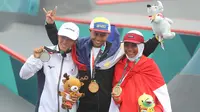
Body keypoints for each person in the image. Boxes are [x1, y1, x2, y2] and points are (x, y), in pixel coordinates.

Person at [44, 7, 163, 112]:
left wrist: (158, 37)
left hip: (106, 105)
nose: (99, 38)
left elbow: (142, 51)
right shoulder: (80, 46)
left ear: (108, 34)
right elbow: (61, 43)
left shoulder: (116, 49)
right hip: (84, 104)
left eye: (103, 35)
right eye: (96, 33)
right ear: (90, 31)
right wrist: (50, 24)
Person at [19, 22, 80, 112]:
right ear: (58, 35)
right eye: (63, 37)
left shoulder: (78, 59)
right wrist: (34, 58)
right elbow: (23, 75)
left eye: (69, 39)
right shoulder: (45, 53)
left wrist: (77, 94)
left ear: (75, 41)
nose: (65, 41)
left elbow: (80, 85)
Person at [110, 30, 172, 112]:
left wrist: (154, 110)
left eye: (133, 45)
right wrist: (117, 98)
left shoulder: (149, 65)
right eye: (127, 45)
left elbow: (161, 94)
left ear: (141, 47)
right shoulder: (119, 65)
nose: (129, 49)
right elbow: (118, 93)